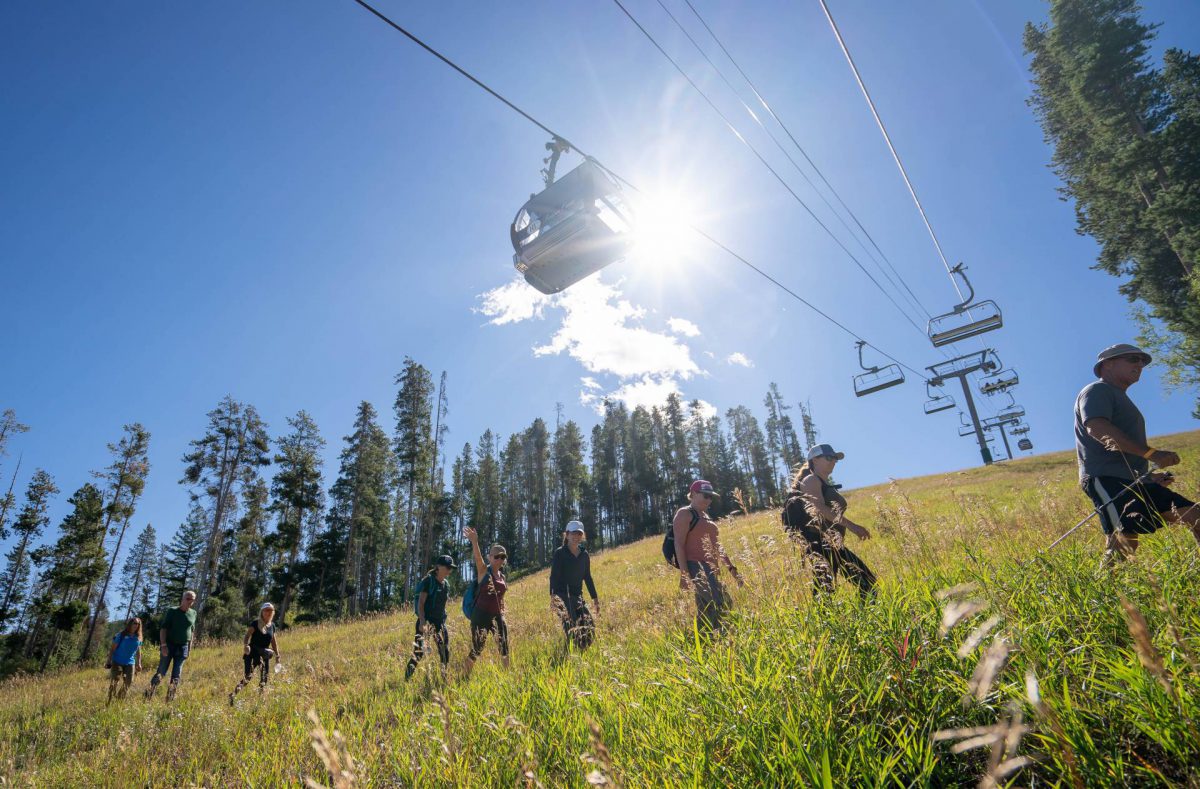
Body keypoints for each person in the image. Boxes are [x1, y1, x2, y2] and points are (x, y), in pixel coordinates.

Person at [1074, 343, 1198, 561]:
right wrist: (1152, 454)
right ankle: (1106, 591)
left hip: (1136, 482)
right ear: (1108, 365)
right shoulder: (1097, 390)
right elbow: (1097, 428)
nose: (1140, 364)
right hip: (1106, 479)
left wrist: (1148, 477)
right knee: (1125, 542)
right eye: (1133, 359)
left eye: (1143, 361)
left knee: (1195, 517)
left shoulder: (1119, 396)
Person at [781, 445, 876, 599]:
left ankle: (859, 619)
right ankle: (826, 621)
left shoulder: (823, 483)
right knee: (828, 591)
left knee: (864, 584)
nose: (833, 462)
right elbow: (820, 509)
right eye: (829, 458)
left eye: (835, 459)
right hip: (820, 544)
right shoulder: (811, 480)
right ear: (815, 460)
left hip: (832, 545)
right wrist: (853, 527)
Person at [673, 480, 743, 635]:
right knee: (715, 603)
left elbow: (717, 546)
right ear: (693, 494)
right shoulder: (685, 513)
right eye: (705, 496)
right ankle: (713, 639)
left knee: (715, 605)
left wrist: (731, 569)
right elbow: (679, 544)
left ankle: (709, 639)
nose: (709, 500)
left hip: (711, 568)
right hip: (695, 566)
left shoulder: (705, 516)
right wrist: (684, 575)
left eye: (711, 497)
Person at [463, 526, 509, 676]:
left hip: (497, 615)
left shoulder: (502, 577)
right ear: (490, 557)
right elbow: (477, 559)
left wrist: (502, 610)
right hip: (480, 615)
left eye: (502, 557)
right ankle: (464, 675)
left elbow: (500, 596)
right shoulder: (484, 572)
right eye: (496, 556)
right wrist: (474, 542)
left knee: (504, 645)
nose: (499, 560)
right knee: (478, 647)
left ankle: (507, 675)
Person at [549, 520, 600, 650]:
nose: (576, 536)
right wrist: (553, 598)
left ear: (582, 536)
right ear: (567, 535)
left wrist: (595, 598)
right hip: (562, 595)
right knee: (571, 626)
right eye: (573, 533)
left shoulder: (584, 555)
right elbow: (553, 577)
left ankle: (582, 652)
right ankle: (570, 654)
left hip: (577, 596)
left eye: (579, 533)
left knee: (589, 626)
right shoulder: (559, 553)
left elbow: (587, 577)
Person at [405, 555, 455, 680]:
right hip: (426, 621)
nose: (450, 570)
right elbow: (421, 603)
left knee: (444, 651)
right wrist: (422, 621)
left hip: (439, 623)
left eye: (451, 567)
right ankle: (407, 678)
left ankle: (444, 676)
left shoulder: (446, 584)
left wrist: (443, 620)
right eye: (448, 567)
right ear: (438, 567)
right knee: (419, 652)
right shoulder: (429, 581)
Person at [145, 590, 196, 702]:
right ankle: (148, 695)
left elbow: (191, 631)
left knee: (176, 674)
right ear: (182, 599)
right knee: (161, 672)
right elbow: (164, 628)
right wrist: (163, 645)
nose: (190, 601)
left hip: (183, 647)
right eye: (188, 598)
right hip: (169, 645)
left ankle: (170, 699)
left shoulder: (193, 613)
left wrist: (189, 647)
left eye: (192, 599)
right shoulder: (172, 611)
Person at [229, 602, 281, 704]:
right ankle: (233, 695)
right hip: (252, 653)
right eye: (266, 610)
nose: (268, 612)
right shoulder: (256, 623)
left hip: (265, 653)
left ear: (273, 612)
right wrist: (246, 645)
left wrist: (277, 655)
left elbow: (274, 642)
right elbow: (247, 636)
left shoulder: (272, 626)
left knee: (264, 678)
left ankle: (261, 701)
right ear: (262, 612)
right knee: (248, 677)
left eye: (271, 611)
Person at [105, 617, 143, 704]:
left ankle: (119, 700)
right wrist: (109, 660)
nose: (136, 625)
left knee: (129, 682)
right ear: (130, 624)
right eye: (134, 623)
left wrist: (139, 663)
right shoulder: (121, 635)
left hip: (130, 662)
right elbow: (112, 649)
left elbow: (138, 651)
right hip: (117, 661)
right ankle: (109, 701)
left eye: (138, 624)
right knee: (115, 682)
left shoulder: (138, 637)